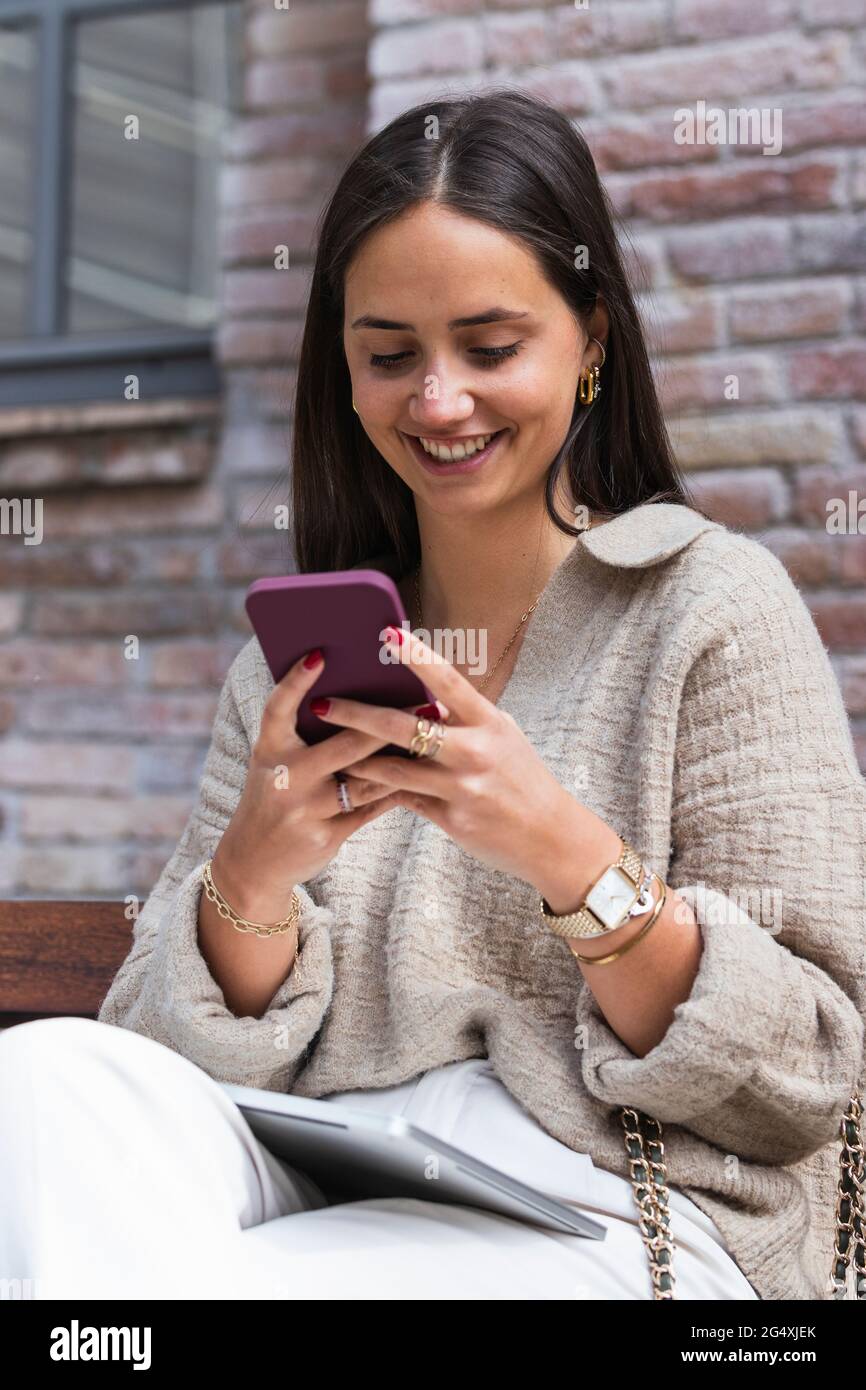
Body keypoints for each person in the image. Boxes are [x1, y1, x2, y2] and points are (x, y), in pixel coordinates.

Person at [2, 89, 863, 1303]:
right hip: (315, 1168)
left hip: (598, 1210)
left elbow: (805, 1068)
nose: (436, 400)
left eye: (490, 346)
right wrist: (247, 884)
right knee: (41, 1079)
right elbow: (158, 1066)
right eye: (389, 354)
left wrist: (563, 853)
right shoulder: (290, 664)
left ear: (591, 342)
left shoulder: (707, 608)